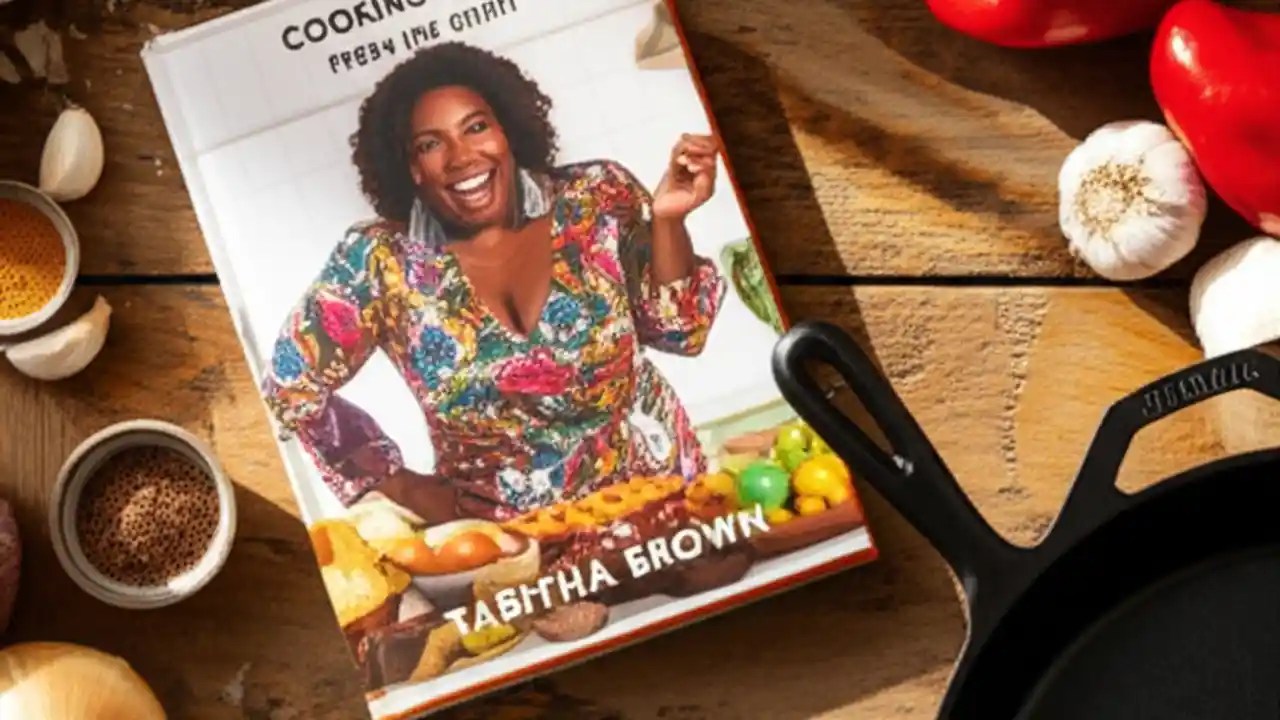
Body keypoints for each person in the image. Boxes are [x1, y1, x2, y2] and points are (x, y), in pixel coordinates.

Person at [261, 41, 727, 525]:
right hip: (516, 550)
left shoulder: (595, 199)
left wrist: (669, 221)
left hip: (671, 501)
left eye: (476, 127)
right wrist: (399, 486)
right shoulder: (378, 264)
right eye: (431, 143)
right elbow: (289, 386)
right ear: (412, 167)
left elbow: (682, 331)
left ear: (506, 131)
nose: (461, 157)